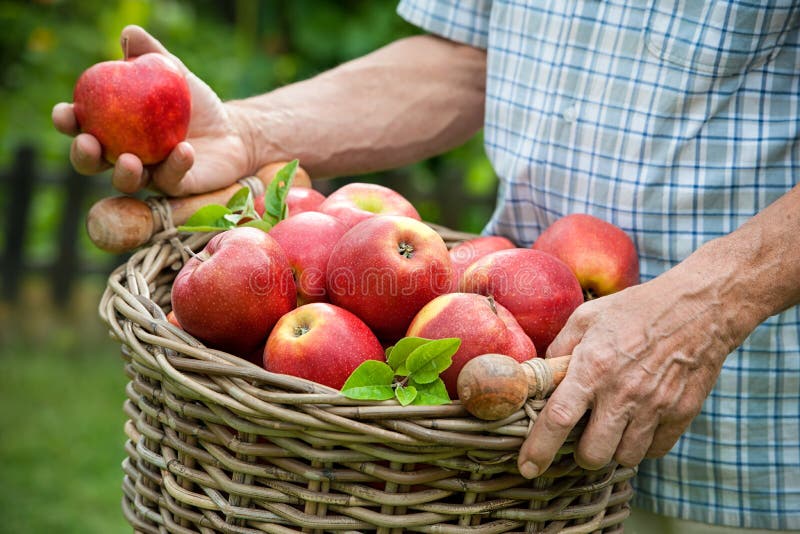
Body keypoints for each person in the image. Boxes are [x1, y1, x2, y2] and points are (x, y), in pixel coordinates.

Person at [53, 2, 800, 531]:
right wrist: (251, 132)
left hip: (752, 449)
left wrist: (715, 304)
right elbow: (468, 61)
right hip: (505, 442)